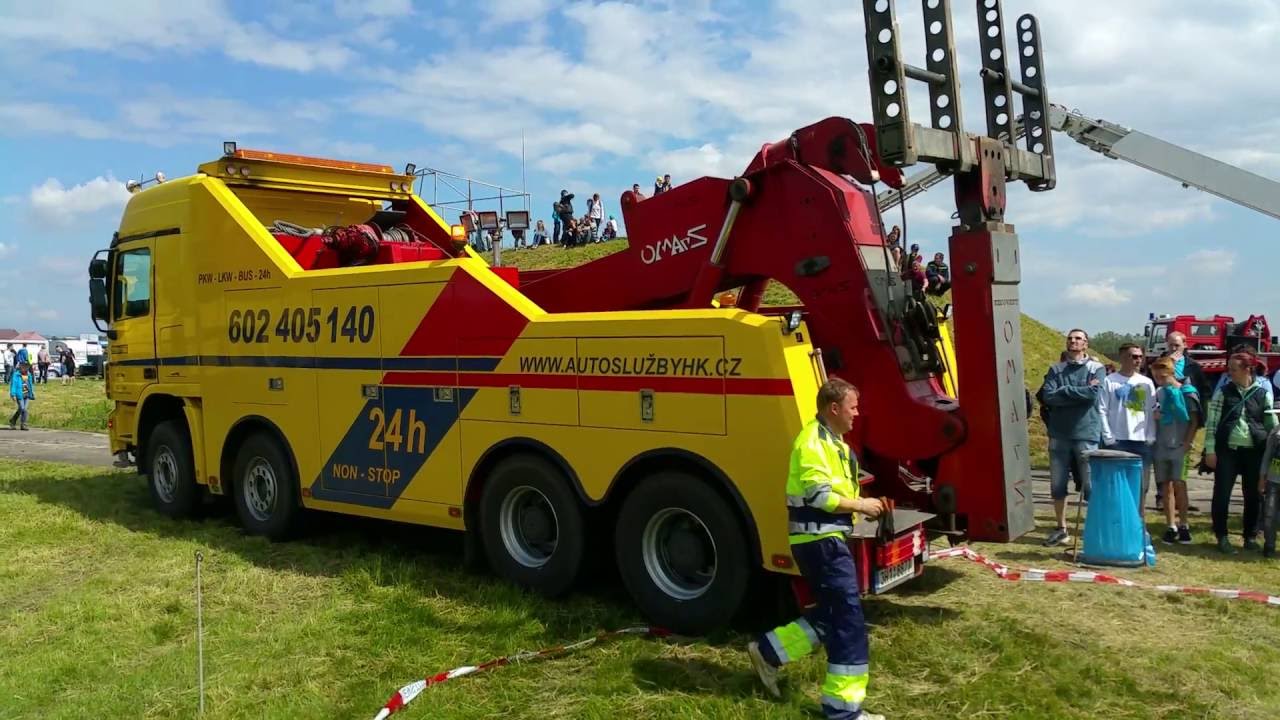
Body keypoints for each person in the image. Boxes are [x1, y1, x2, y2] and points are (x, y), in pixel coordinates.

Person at [747, 378, 886, 720]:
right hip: (820, 542)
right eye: (853, 407)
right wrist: (861, 505)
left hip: (825, 540)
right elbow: (818, 497)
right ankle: (843, 712)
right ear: (833, 408)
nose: (858, 413)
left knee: (831, 614)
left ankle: (768, 652)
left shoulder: (832, 440)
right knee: (848, 622)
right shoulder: (812, 442)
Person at [1037, 329, 1106, 546]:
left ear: (1086, 344)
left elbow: (1092, 396)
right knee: (1057, 484)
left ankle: (1093, 528)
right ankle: (1061, 528)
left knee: (1090, 484)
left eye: (1078, 339)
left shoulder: (1097, 368)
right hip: (1059, 433)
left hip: (1087, 432)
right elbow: (1048, 396)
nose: (1073, 341)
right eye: (1070, 338)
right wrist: (1077, 390)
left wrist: (1064, 391)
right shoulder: (1055, 369)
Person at [1204, 353, 1277, 553]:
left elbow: (1271, 424)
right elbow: (1212, 424)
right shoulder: (1223, 392)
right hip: (1228, 451)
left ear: (1247, 369)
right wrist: (1210, 450)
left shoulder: (1263, 394)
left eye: (1233, 369)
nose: (1229, 373)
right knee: (1222, 494)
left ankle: (1250, 536)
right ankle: (1222, 536)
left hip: (1254, 451)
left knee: (1253, 496)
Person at [1099, 343, 1157, 506]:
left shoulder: (1146, 382)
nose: (1138, 360)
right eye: (1134, 356)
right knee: (1116, 485)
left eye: (1140, 356)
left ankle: (1138, 524)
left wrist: (1151, 434)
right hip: (1118, 440)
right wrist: (1108, 436)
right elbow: (1102, 409)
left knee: (1141, 486)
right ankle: (1118, 520)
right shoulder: (1110, 381)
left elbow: (1152, 410)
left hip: (1141, 441)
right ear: (1123, 357)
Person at [1150, 357, 1200, 544]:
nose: (1158, 379)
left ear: (1171, 373)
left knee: (1180, 484)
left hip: (1180, 444)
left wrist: (1188, 443)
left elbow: (1194, 420)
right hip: (1162, 444)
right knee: (1165, 486)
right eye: (1155, 376)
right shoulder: (1159, 392)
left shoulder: (1186, 392)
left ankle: (1184, 524)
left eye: (1161, 375)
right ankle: (1170, 525)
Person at [1258, 403, 1280, 558]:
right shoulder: (1275, 432)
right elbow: (1267, 456)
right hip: (1274, 479)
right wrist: (1262, 477)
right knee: (1269, 513)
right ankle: (1269, 545)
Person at [9, 362, 35, 431]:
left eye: (27, 368)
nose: (25, 369)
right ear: (20, 368)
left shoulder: (29, 375)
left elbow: (30, 385)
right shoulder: (16, 375)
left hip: (27, 394)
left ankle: (23, 425)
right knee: (22, 408)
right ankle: (13, 421)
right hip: (19, 394)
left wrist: (32, 393)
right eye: (24, 368)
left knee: (24, 410)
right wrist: (13, 394)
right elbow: (13, 385)